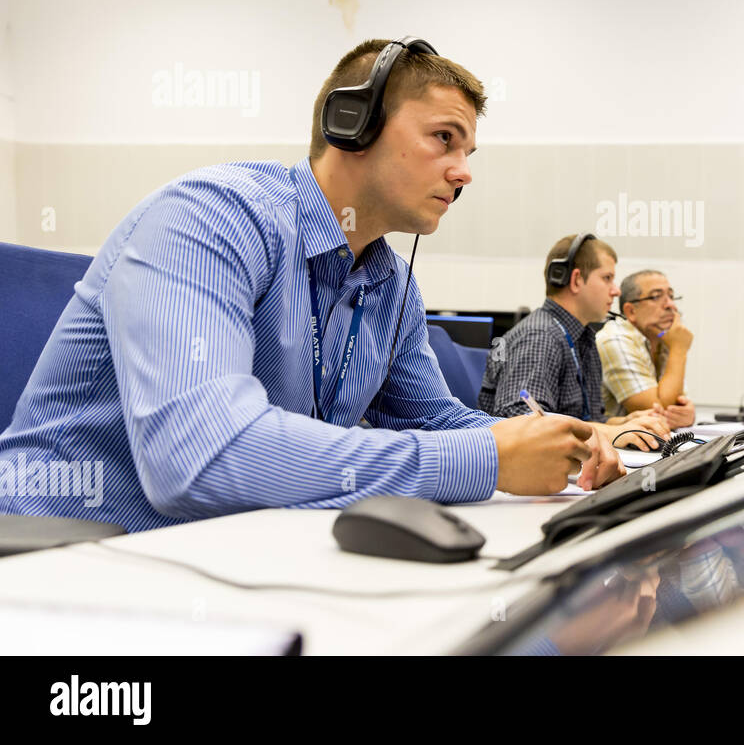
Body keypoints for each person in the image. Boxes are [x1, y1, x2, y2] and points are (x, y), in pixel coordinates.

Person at [0, 37, 621, 533]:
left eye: (468, 152)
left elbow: (438, 422)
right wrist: (488, 461)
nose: (462, 173)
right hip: (64, 558)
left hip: (227, 552)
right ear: (353, 124)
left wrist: (564, 442)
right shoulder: (213, 217)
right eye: (443, 139)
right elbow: (200, 459)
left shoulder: (388, 284)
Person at [478, 234, 672, 451]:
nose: (616, 290)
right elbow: (522, 424)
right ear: (577, 279)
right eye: (607, 278)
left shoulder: (583, 337)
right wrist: (608, 432)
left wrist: (623, 423)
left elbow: (581, 418)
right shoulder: (540, 337)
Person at [597, 270, 695, 427]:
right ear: (631, 311)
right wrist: (679, 350)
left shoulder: (664, 338)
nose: (670, 305)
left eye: (671, 296)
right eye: (656, 296)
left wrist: (688, 415)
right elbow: (657, 410)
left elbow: (677, 405)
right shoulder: (614, 338)